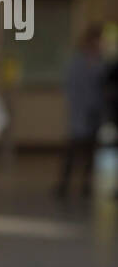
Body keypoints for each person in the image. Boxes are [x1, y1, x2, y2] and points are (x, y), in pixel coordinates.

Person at [57, 24, 105, 200]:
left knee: (91, 151)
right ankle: (64, 184)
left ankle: (86, 185)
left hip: (95, 111)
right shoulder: (77, 62)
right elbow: (70, 87)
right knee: (72, 149)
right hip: (80, 110)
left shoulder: (101, 61)